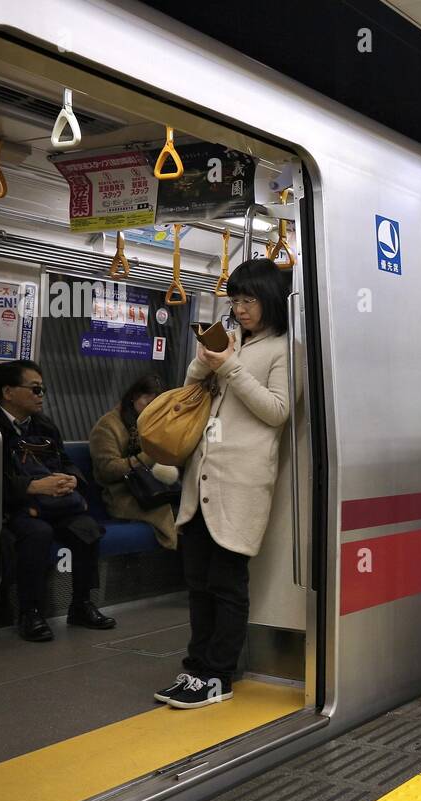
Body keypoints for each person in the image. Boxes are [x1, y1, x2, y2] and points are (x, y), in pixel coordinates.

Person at [155, 259, 294, 709]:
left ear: (270, 300)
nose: (240, 308)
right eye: (235, 300)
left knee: (226, 582)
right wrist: (203, 364)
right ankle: (195, 668)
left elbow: (277, 411)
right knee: (196, 582)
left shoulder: (284, 350)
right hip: (201, 480)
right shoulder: (232, 342)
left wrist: (231, 367)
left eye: (249, 299)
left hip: (241, 483)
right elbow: (190, 397)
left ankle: (219, 674)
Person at [0, 360, 116, 641]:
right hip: (15, 507)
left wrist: (71, 479)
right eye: (34, 389)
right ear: (8, 392)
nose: (40, 396)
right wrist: (33, 486)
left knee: (86, 528)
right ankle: (30, 612)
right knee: (38, 533)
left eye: (42, 390)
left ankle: (81, 604)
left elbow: (65, 461)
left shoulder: (44, 426)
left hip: (55, 504)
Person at [89, 373, 180, 549]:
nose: (151, 412)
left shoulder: (154, 424)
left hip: (157, 488)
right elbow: (107, 470)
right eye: (147, 405)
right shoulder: (107, 426)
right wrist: (147, 456)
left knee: (191, 510)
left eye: (158, 408)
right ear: (133, 397)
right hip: (123, 494)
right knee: (170, 513)